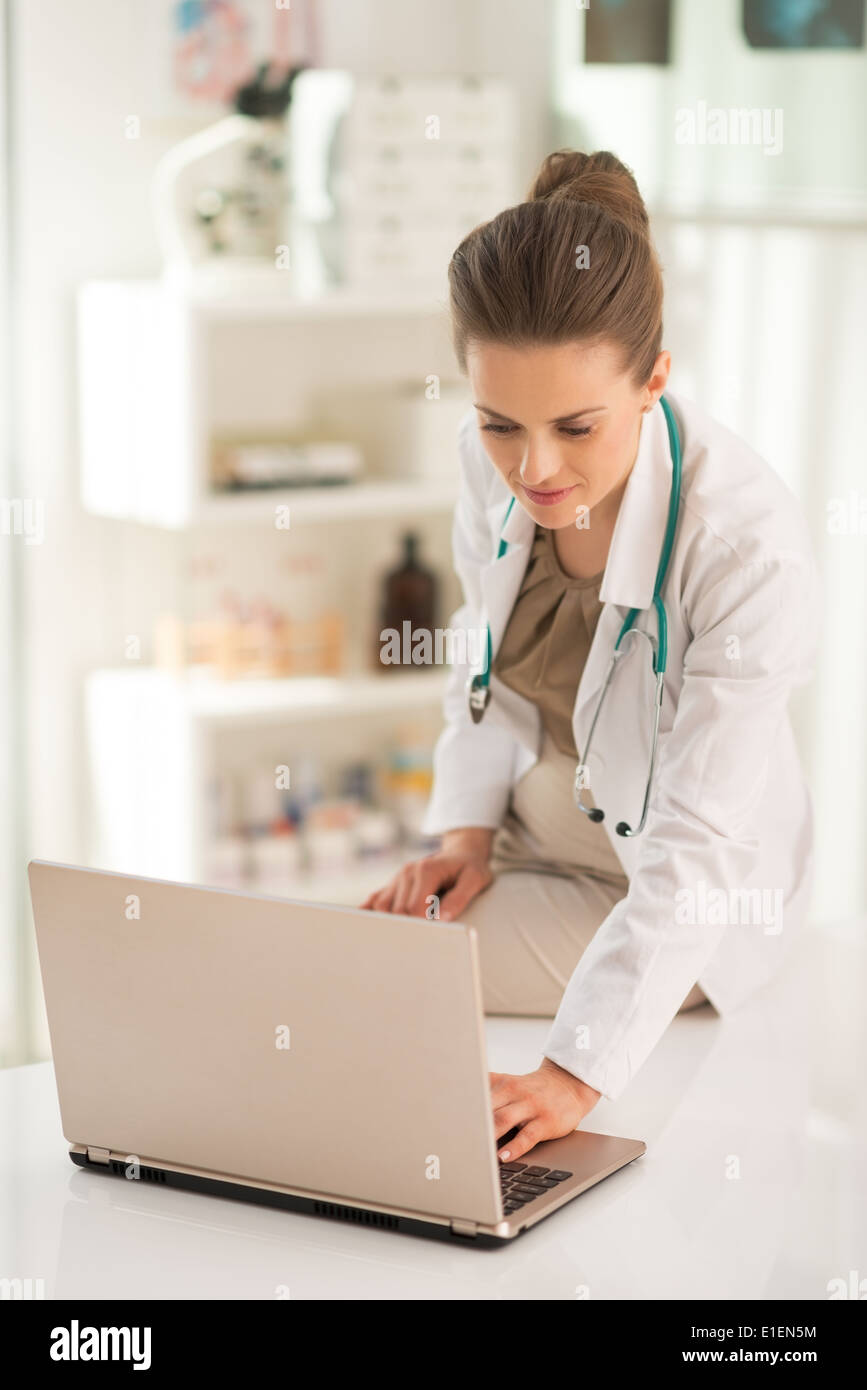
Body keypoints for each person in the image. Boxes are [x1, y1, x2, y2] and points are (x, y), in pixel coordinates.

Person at [361, 149, 817, 1164]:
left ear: (654, 379)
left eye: (576, 426)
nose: (535, 469)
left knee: (364, 984)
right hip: (538, 849)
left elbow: (696, 853)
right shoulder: (498, 471)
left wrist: (575, 1075)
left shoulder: (745, 548)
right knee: (355, 952)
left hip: (676, 901)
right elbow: (481, 666)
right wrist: (466, 835)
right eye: (498, 424)